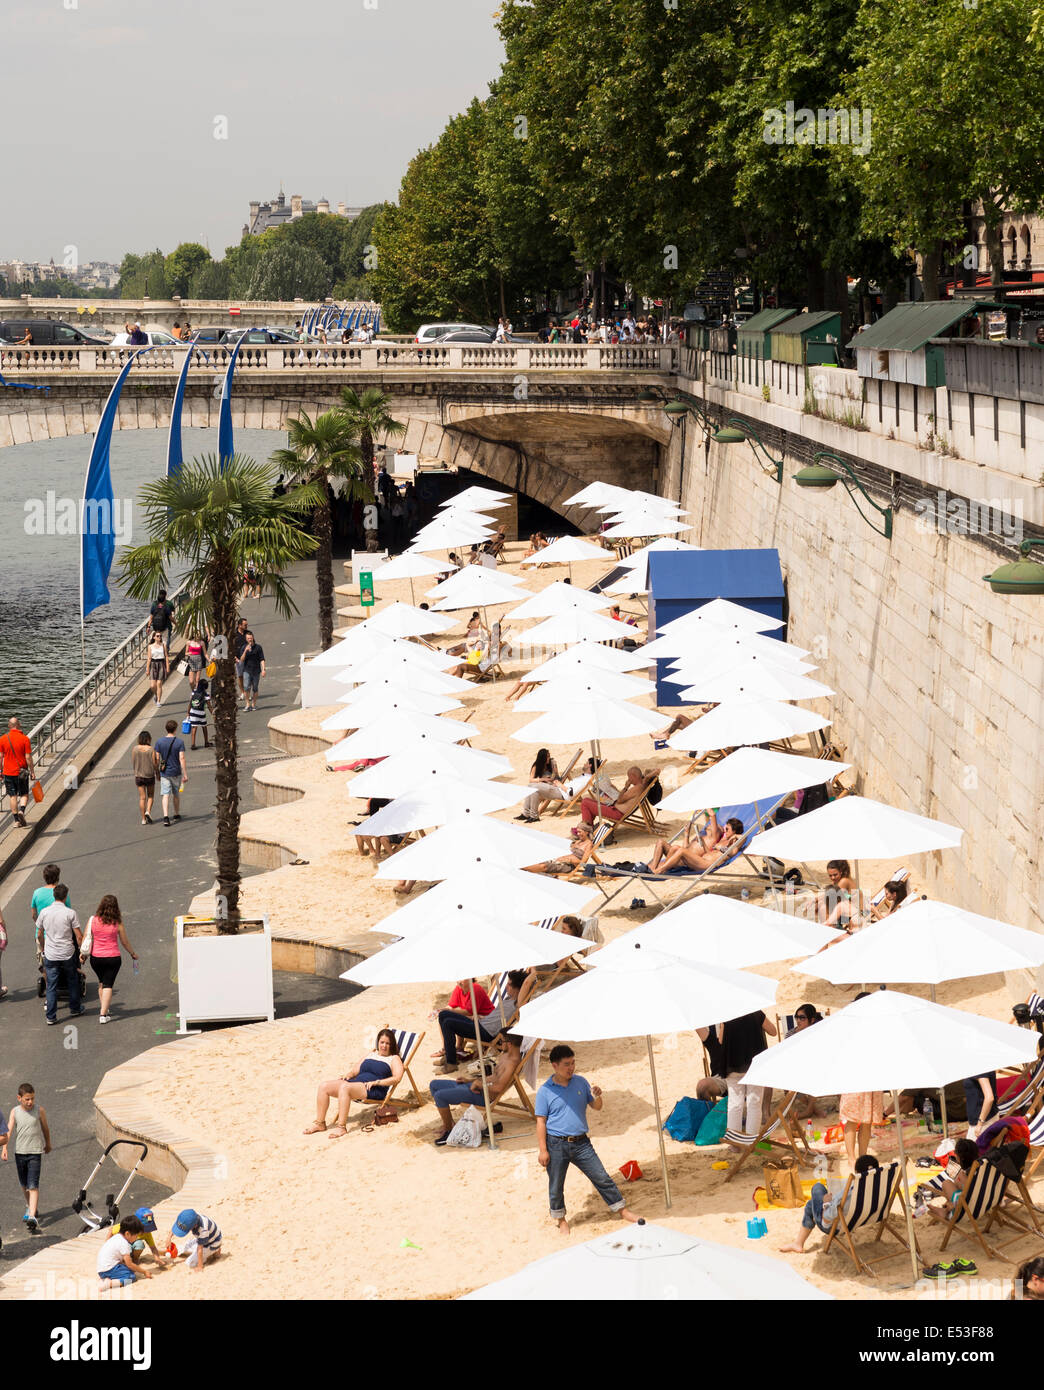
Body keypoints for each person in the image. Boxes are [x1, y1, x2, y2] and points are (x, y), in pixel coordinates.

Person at [535, 1045, 639, 1232]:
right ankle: (561, 1220)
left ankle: (622, 1210)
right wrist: (543, 1150)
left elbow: (597, 1107)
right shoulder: (545, 1091)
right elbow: (541, 1121)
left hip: (581, 1143)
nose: (571, 1068)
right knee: (556, 1184)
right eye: (567, 1064)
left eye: (573, 1063)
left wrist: (598, 1096)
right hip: (556, 1144)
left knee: (601, 1177)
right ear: (555, 1065)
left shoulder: (581, 1082)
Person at [305, 1028, 404, 1138]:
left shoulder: (393, 1058)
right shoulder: (371, 1054)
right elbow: (354, 1071)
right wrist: (348, 1075)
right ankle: (320, 1123)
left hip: (373, 1088)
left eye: (387, 1043)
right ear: (378, 1042)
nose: (384, 1046)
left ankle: (341, 1127)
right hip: (355, 1083)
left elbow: (397, 1078)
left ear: (392, 1045)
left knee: (345, 1088)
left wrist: (378, 1082)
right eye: (382, 1042)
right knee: (324, 1086)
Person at [430, 1031, 522, 1144]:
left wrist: (480, 1084)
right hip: (477, 1087)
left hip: (483, 1096)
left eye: (501, 1041)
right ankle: (449, 1123)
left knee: (439, 1096)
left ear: (509, 1044)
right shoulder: (505, 1055)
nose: (499, 1044)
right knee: (434, 1085)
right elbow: (493, 1077)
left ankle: (448, 1130)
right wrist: (470, 1081)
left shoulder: (512, 1063)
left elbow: (499, 1087)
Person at [780, 1154, 881, 1254]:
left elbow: (826, 1222)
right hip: (865, 1219)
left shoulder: (849, 1193)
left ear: (856, 1173)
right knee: (812, 1204)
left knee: (817, 1188)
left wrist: (826, 1203)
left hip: (840, 1227)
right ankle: (798, 1243)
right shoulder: (881, 1187)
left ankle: (798, 1243)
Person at [717, 1010, 777, 1139]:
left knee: (735, 1104)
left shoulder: (727, 1014)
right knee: (754, 1103)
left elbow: (721, 1040)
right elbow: (773, 1031)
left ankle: (734, 1142)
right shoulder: (755, 1012)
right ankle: (750, 1140)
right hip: (754, 1064)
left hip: (733, 1064)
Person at [0, 1082, 51, 1232]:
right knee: (24, 1183)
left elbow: (45, 1128)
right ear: (19, 1098)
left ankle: (32, 1216)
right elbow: (8, 1131)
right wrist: (5, 1148)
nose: (30, 1102)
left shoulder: (39, 1111)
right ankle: (30, 1207)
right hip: (20, 1153)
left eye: (32, 1098)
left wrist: (48, 1143)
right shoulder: (15, 1112)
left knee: (33, 1184)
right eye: (27, 1099)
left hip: (35, 1152)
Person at [81, 894, 138, 1024]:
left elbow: (86, 937)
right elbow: (124, 942)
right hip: (113, 958)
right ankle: (103, 1015)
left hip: (96, 958)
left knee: (101, 982)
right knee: (108, 985)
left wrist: (83, 954)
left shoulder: (93, 920)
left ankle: (105, 1008)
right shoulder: (117, 923)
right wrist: (132, 953)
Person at [36, 884, 84, 1024]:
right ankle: (75, 1008)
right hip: (67, 953)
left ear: (54, 896)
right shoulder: (70, 913)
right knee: (72, 980)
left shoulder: (44, 912)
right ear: (65, 897)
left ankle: (51, 1016)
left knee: (51, 985)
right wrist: (82, 951)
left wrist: (43, 948)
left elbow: (39, 934)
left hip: (51, 953)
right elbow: (78, 936)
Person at [433, 978, 500, 1070]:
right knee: (443, 1015)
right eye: (458, 979)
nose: (459, 981)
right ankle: (448, 1054)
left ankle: (451, 1062)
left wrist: (451, 1011)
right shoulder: (459, 988)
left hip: (483, 1024)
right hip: (474, 1019)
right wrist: (445, 1010)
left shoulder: (476, 989)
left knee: (448, 1022)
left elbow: (469, 1011)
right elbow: (452, 1005)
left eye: (462, 979)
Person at [647, 812, 744, 873]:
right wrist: (702, 843)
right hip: (701, 861)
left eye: (727, 829)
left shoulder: (735, 842)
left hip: (708, 865)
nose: (725, 831)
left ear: (734, 831)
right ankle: (656, 868)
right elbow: (709, 853)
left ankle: (660, 870)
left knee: (681, 851)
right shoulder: (723, 840)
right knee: (676, 848)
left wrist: (734, 837)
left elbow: (734, 849)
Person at [579, 764, 658, 828]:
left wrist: (626, 787)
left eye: (629, 777)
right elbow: (656, 771)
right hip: (615, 808)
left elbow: (620, 800)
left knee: (585, 803)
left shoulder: (636, 788)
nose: (629, 779)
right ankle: (587, 826)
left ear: (634, 776)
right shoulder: (642, 784)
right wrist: (647, 776)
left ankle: (586, 829)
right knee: (588, 801)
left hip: (616, 813)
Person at [97, 1215, 151, 1289]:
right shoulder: (124, 1243)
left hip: (101, 1270)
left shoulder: (116, 1237)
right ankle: (109, 1284)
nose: (136, 1238)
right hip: (109, 1269)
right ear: (127, 1234)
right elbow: (130, 1264)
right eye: (136, 1236)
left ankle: (106, 1278)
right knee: (131, 1277)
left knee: (129, 1270)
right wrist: (144, 1272)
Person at [2, 715, 36, 827]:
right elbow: (28, 757)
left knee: (13, 796)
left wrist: (1, 771)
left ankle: (16, 821)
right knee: (24, 794)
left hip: (8, 772)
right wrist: (32, 771)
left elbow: (0, 757)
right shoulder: (25, 739)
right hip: (21, 772)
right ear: (19, 725)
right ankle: (22, 810)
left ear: (9, 726)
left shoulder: (3, 739)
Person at [153, 719, 188, 826]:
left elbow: (157, 758)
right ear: (175, 729)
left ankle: (166, 817)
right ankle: (176, 814)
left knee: (165, 794)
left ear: (166, 729)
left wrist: (157, 771)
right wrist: (185, 773)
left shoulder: (159, 742)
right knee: (176, 794)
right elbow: (182, 758)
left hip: (165, 773)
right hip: (176, 772)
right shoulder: (179, 742)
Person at [517, 747, 567, 821]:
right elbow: (531, 779)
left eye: (549, 756)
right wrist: (543, 779)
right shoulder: (536, 766)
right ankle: (527, 814)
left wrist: (552, 778)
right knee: (530, 787)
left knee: (531, 787)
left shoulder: (552, 762)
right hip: (543, 786)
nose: (549, 758)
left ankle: (530, 815)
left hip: (552, 786)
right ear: (542, 758)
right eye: (547, 757)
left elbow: (556, 776)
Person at [962, 1069, 998, 1140]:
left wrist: (980, 1123)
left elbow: (989, 1098)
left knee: (970, 1146)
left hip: (983, 1121)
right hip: (984, 1118)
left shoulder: (979, 1069)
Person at [131, 730, 156, 825]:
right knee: (150, 796)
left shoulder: (135, 749)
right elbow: (154, 763)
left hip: (139, 775)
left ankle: (143, 819)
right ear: (148, 739)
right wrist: (157, 772)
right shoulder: (151, 749)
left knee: (142, 798)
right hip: (149, 775)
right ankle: (148, 811)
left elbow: (133, 761)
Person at [240, 630, 266, 711]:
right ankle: (247, 704)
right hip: (246, 670)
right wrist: (245, 651)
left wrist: (263, 669)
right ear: (246, 639)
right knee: (246, 687)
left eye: (251, 638)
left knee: (255, 688)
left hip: (256, 671)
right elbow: (241, 659)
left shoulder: (258, 647)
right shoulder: (244, 647)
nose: (250, 640)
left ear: (253, 638)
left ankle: (254, 704)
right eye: (248, 638)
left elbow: (262, 659)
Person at [187, 676, 212, 749]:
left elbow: (190, 702)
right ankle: (206, 742)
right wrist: (213, 713)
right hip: (201, 713)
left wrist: (188, 712)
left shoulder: (194, 692)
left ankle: (193, 744)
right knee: (204, 727)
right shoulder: (206, 694)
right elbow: (209, 706)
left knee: (194, 728)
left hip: (193, 712)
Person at [145, 631, 167, 706]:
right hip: (153, 664)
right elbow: (149, 658)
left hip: (161, 664)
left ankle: (158, 701)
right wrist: (147, 669)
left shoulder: (163, 645)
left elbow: (166, 656)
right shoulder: (150, 646)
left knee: (159, 683)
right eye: (157, 636)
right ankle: (156, 694)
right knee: (152, 686)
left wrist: (167, 666)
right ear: (154, 637)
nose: (159, 637)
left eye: (160, 636)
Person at [233, 616, 250, 702]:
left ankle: (247, 693)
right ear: (239, 625)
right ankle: (243, 692)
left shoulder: (248, 633)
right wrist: (234, 657)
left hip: (248, 658)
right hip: (238, 659)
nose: (246, 626)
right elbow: (231, 646)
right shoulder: (234, 634)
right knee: (240, 676)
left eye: (247, 625)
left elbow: (252, 643)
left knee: (247, 676)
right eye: (245, 625)